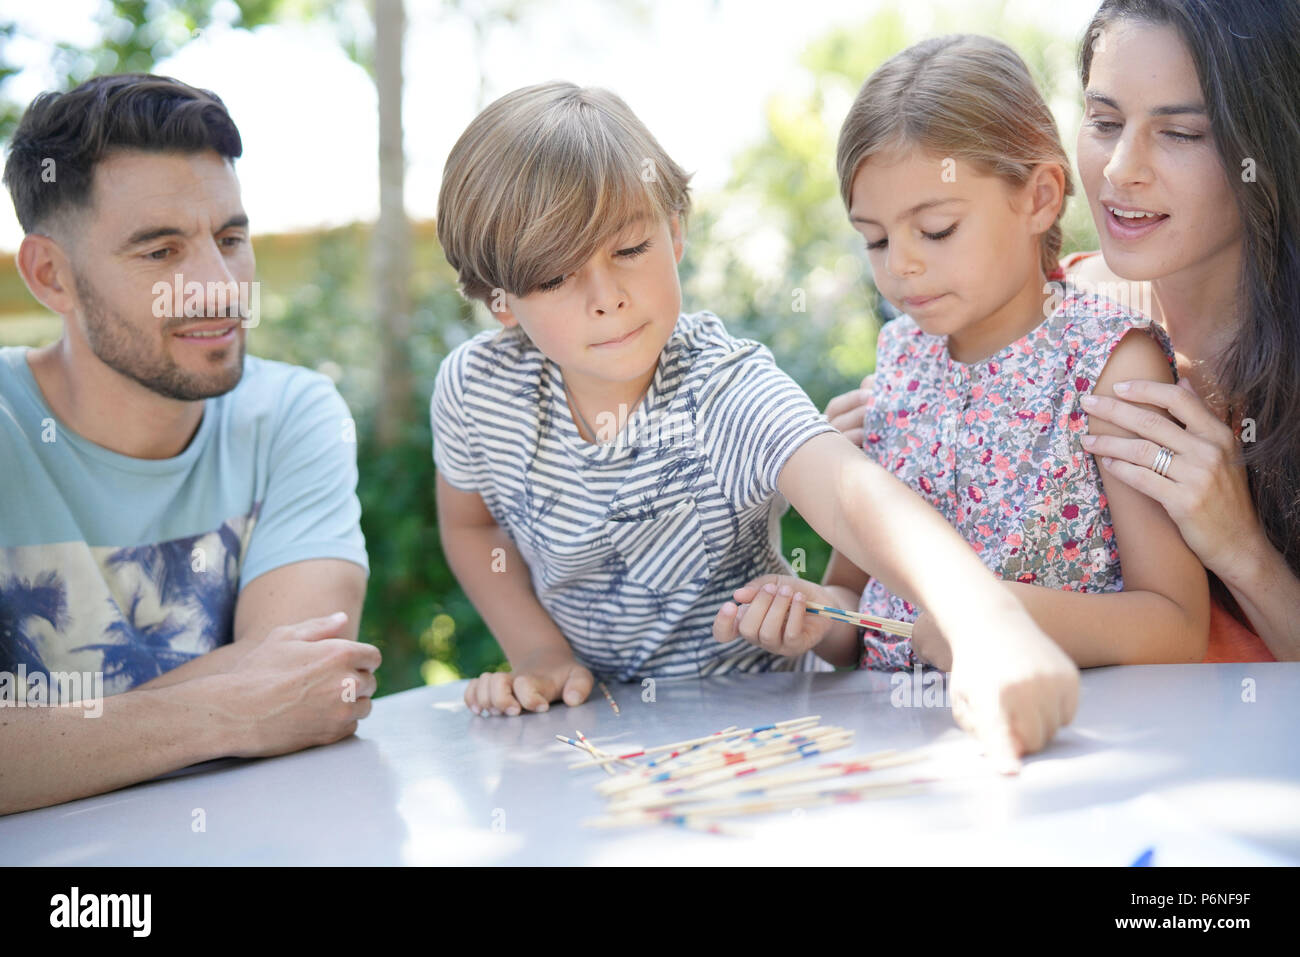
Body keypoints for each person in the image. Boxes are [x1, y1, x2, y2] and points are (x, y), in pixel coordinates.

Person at [432, 81, 1077, 770]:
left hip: (760, 736)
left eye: (628, 249)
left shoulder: (725, 389)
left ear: (674, 230)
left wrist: (984, 620)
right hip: (592, 747)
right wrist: (538, 650)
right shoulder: (478, 393)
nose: (607, 297)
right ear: (500, 300)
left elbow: (854, 495)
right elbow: (473, 525)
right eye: (556, 278)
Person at [715, 35, 1209, 671]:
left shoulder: (1107, 363)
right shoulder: (899, 361)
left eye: (936, 229)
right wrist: (816, 614)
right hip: (902, 747)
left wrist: (989, 615)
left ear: (1039, 198)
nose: (901, 265)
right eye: (874, 239)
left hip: (1062, 742)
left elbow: (1176, 629)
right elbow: (858, 603)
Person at [0, 74, 380, 815]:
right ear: (51, 276)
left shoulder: (292, 413)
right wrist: (226, 709)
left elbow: (305, 694)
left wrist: (42, 746)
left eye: (231, 239)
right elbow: (262, 706)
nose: (219, 285)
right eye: (160, 251)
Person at [1065, 0, 1298, 660]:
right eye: (1105, 122)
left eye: (1182, 134)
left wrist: (1239, 548)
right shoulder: (1046, 316)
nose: (1119, 170)